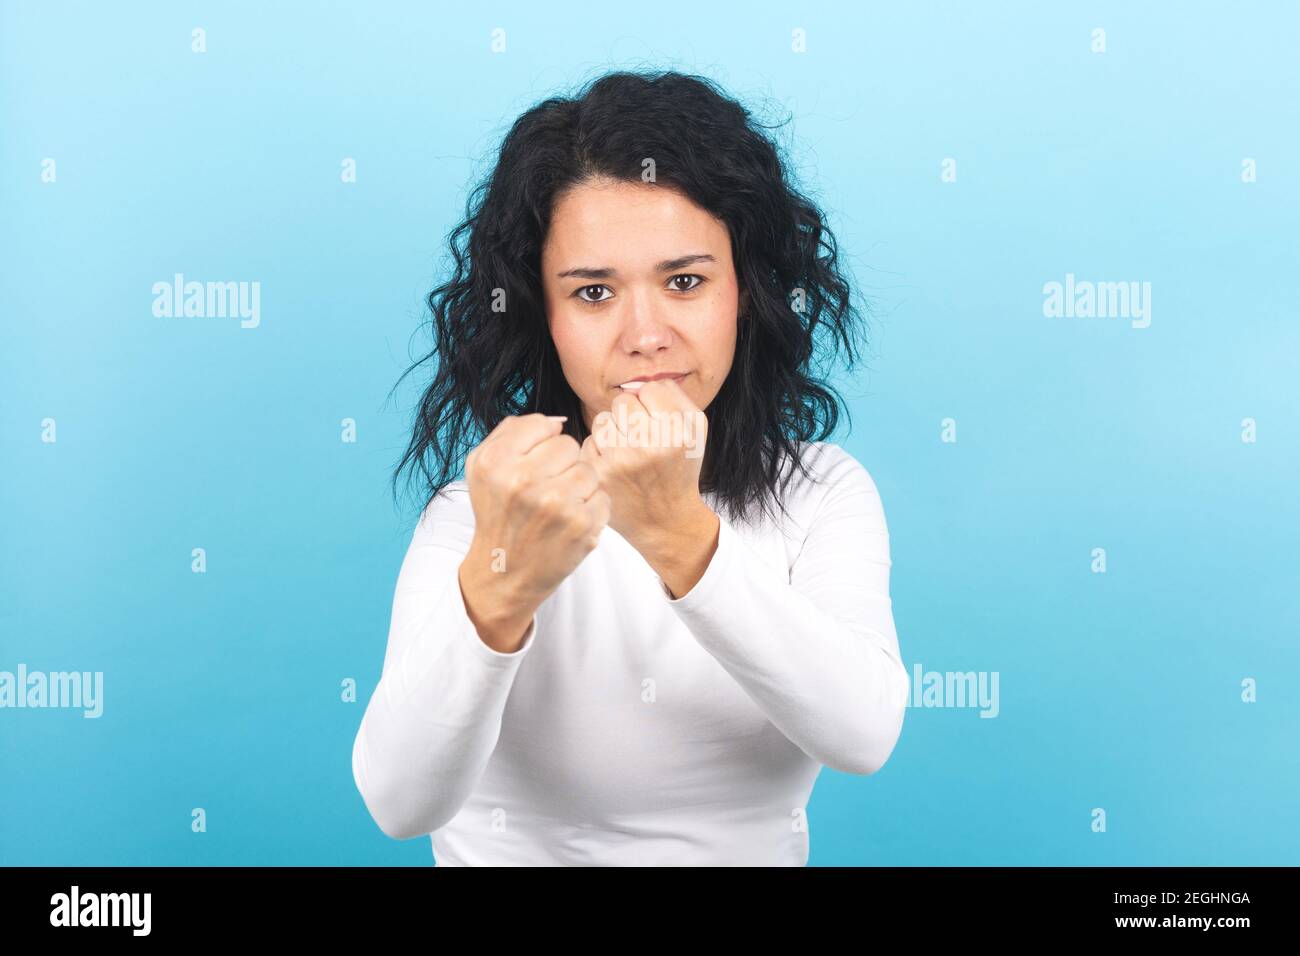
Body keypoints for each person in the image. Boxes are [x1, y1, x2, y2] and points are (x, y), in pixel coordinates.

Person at [351, 69, 910, 865]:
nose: (645, 335)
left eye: (685, 282)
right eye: (592, 293)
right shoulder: (480, 512)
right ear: (543, 313)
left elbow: (864, 733)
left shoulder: (819, 494)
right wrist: (501, 588)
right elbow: (400, 803)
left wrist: (678, 534)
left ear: (744, 293)